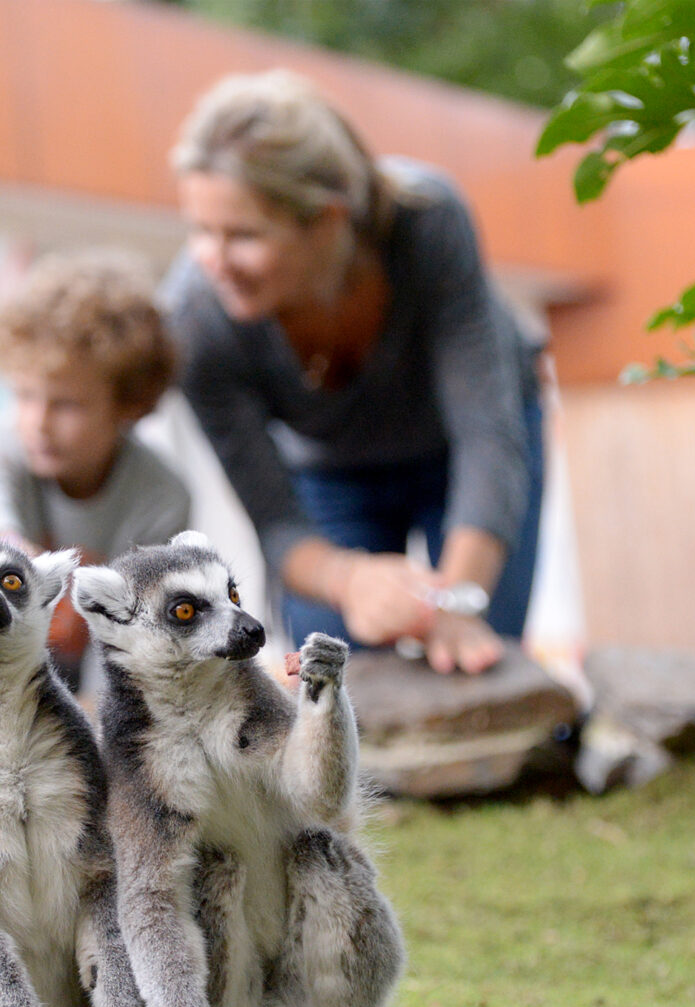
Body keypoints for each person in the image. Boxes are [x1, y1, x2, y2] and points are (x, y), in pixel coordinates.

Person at [165, 70, 544, 675]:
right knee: (333, 678)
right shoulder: (194, 324)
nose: (214, 261)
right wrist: (347, 579)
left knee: (474, 654)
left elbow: (487, 437)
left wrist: (458, 601)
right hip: (332, 471)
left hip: (465, 451)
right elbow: (277, 523)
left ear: (328, 220)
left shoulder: (427, 222)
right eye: (201, 231)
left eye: (242, 235)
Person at [0, 249, 189, 691]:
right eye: (24, 395)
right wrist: (8, 549)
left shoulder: (160, 496)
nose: (37, 422)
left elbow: (133, 637)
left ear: (128, 403)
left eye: (65, 404)